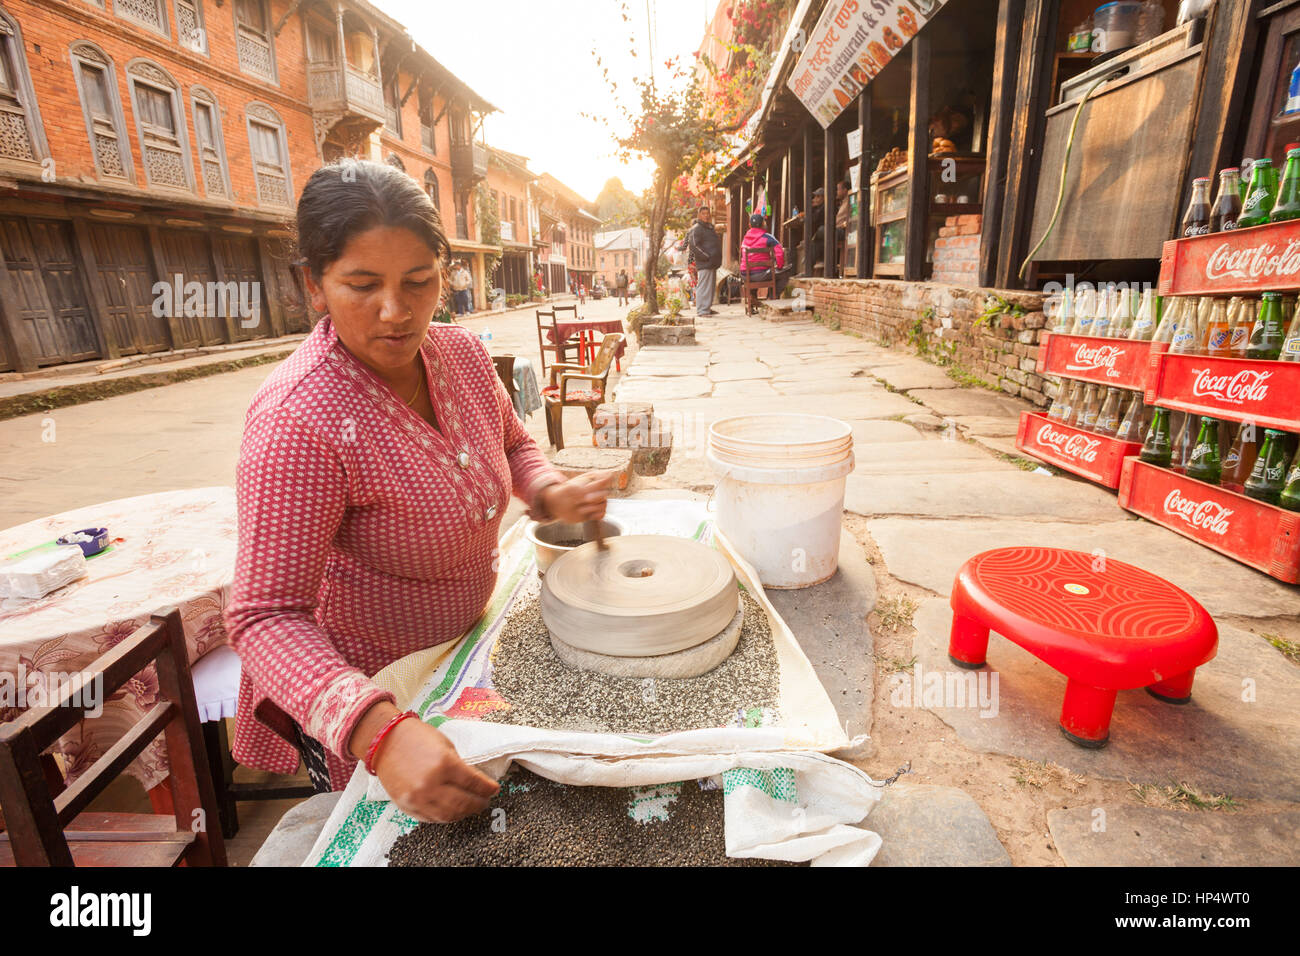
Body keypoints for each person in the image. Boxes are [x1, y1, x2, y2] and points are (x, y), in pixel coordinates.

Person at [223, 159, 613, 822]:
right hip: (367, 696)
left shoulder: (458, 354)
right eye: (362, 285)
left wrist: (549, 493)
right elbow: (264, 617)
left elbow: (514, 443)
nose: (397, 312)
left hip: (463, 658)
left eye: (419, 281)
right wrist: (380, 732)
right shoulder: (300, 421)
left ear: (445, 274)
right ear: (313, 285)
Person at [740, 212, 791, 315]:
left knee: (758, 274)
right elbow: (779, 251)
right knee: (784, 273)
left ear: (750, 225)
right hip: (761, 274)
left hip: (745, 274)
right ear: (763, 224)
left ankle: (753, 298)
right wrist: (779, 266)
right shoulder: (767, 237)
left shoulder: (745, 238)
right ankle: (772, 297)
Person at [687, 204, 722, 317]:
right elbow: (693, 245)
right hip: (705, 262)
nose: (706, 216)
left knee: (710, 287)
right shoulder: (697, 228)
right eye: (703, 214)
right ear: (699, 215)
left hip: (712, 262)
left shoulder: (709, 227)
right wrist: (706, 256)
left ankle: (707, 308)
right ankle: (702, 310)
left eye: (708, 214)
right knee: (703, 286)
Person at [798, 187, 827, 272]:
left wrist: (810, 208)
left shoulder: (825, 207)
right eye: (815, 197)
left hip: (825, 234)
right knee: (811, 241)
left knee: (813, 241)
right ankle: (808, 263)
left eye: (818, 197)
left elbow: (814, 219)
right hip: (819, 236)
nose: (815, 199)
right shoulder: (818, 208)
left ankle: (808, 264)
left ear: (824, 197)